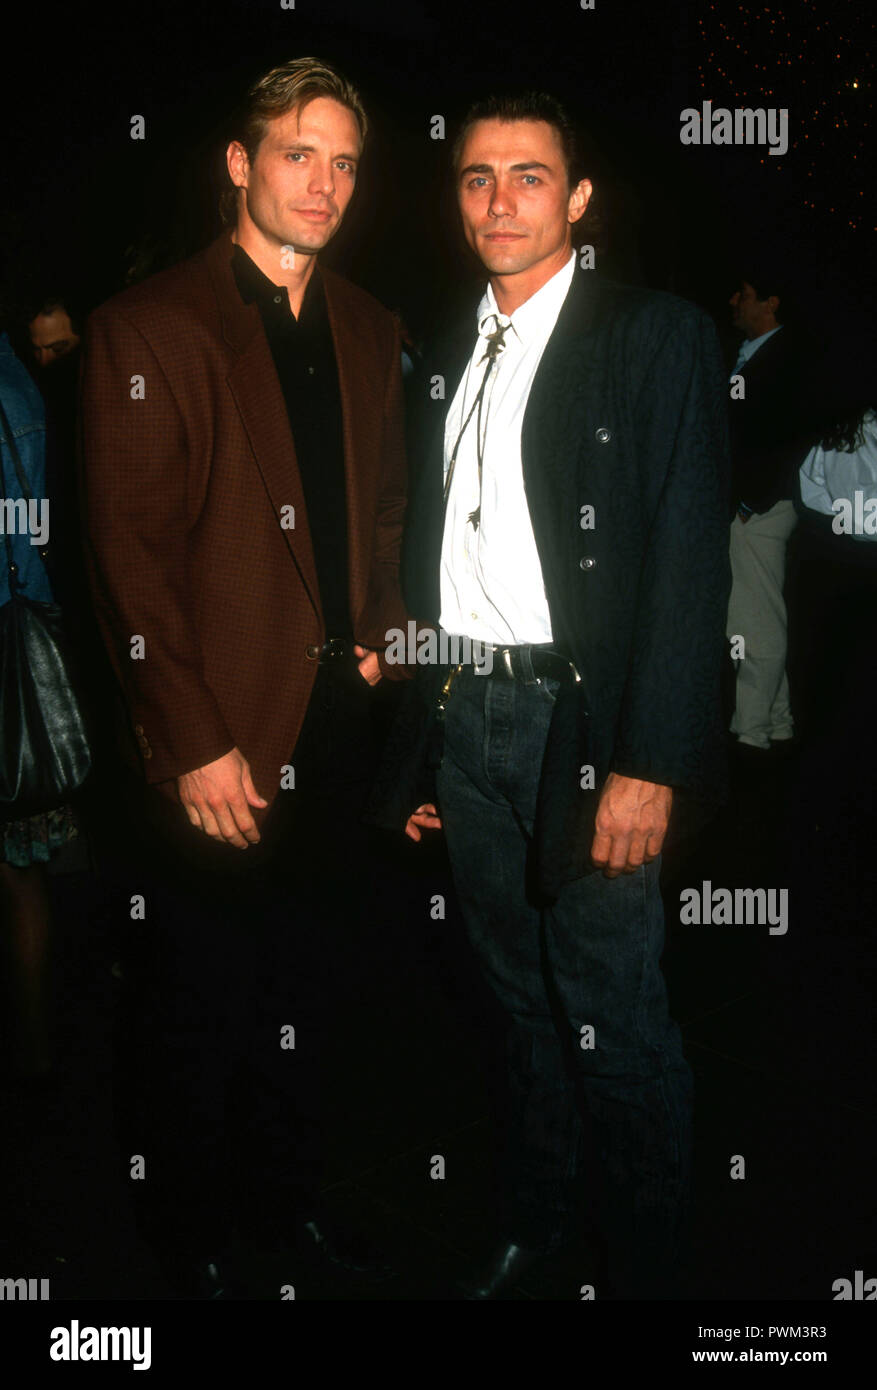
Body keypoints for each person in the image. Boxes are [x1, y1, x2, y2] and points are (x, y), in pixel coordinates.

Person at [79, 56, 408, 1297]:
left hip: (339, 722)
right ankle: (188, 1237)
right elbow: (129, 558)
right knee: (197, 1002)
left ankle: (290, 1204)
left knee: (308, 987)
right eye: (297, 154)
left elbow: (381, 518)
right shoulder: (152, 324)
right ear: (240, 163)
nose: (323, 183)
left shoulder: (373, 325)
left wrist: (383, 633)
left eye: (343, 161)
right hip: (219, 731)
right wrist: (193, 736)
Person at [398, 91, 730, 1299]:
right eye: (477, 177)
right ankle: (539, 1218)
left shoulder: (652, 335)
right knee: (514, 997)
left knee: (614, 1014)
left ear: (578, 199)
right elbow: (427, 563)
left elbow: (691, 559)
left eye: (528, 177)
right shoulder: (445, 343)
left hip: (586, 728)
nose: (498, 200)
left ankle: (652, 1266)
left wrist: (653, 758)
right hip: (465, 722)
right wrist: (417, 751)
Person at [0, 325, 78, 1078]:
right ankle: (38, 1040)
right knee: (24, 870)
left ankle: (34, 1045)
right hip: (27, 616)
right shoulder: (20, 382)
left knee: (21, 874)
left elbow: (27, 523)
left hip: (11, 628)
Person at [725, 271, 814, 753]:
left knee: (753, 622)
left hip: (760, 505)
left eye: (747, 294)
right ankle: (776, 721)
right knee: (758, 614)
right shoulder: (754, 355)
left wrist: (749, 501)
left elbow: (788, 437)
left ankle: (752, 732)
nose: (735, 300)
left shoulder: (786, 359)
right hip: (755, 503)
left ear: (772, 303)